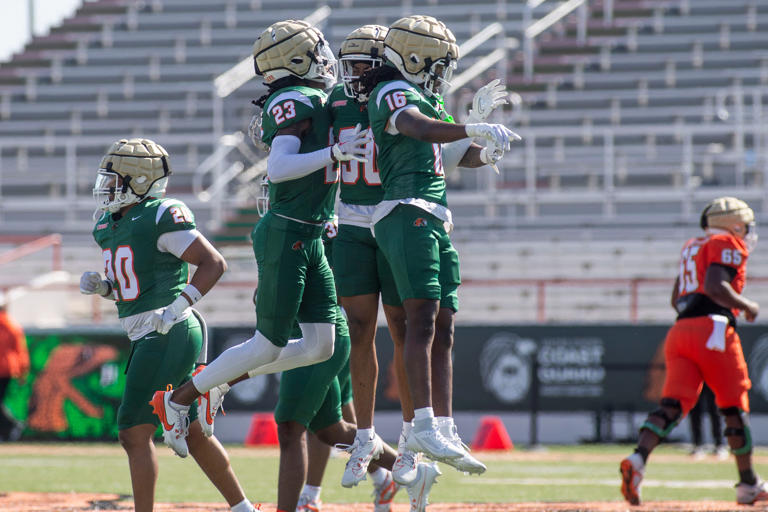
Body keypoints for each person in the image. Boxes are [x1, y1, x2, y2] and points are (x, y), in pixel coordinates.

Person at [149, 20, 370, 457]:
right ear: (295, 60)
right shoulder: (293, 99)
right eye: (316, 52)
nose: (325, 60)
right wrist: (334, 153)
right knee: (268, 344)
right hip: (287, 231)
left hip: (310, 234)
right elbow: (279, 167)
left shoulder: (314, 98)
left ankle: (217, 382)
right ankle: (179, 399)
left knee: (320, 346)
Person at [363, 14, 518, 468]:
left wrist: (483, 143)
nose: (442, 73)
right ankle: (422, 425)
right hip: (405, 210)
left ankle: (444, 427)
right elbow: (418, 127)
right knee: (421, 320)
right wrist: (471, 128)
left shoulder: (425, 98)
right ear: (413, 58)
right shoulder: (392, 91)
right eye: (437, 64)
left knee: (444, 323)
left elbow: (449, 154)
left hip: (432, 215)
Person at [80, 138, 257, 512]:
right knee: (192, 431)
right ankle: (244, 508)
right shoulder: (108, 225)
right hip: (152, 331)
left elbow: (213, 263)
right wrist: (104, 288)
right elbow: (132, 290)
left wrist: (176, 307)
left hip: (166, 331)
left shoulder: (159, 214)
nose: (106, 188)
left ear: (140, 181)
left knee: (133, 430)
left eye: (114, 181)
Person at [620, 196, 768, 506]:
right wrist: (747, 305)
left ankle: (638, 459)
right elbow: (715, 286)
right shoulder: (726, 242)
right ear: (735, 225)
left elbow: (677, 298)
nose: (748, 232)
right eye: (745, 226)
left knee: (671, 406)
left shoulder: (693, 245)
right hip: (714, 330)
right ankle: (748, 484)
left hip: (681, 331)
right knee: (733, 408)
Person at [0, 291, 28, 442]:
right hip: (8, 370)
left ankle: (12, 426)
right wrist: (23, 370)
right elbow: (20, 351)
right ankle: (9, 428)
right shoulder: (12, 325)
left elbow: (19, 350)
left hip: (4, 369)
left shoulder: (9, 326)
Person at [688, 383, 726, 459]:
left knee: (715, 409)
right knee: (695, 410)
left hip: (712, 379)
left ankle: (719, 445)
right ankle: (697, 445)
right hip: (697, 379)